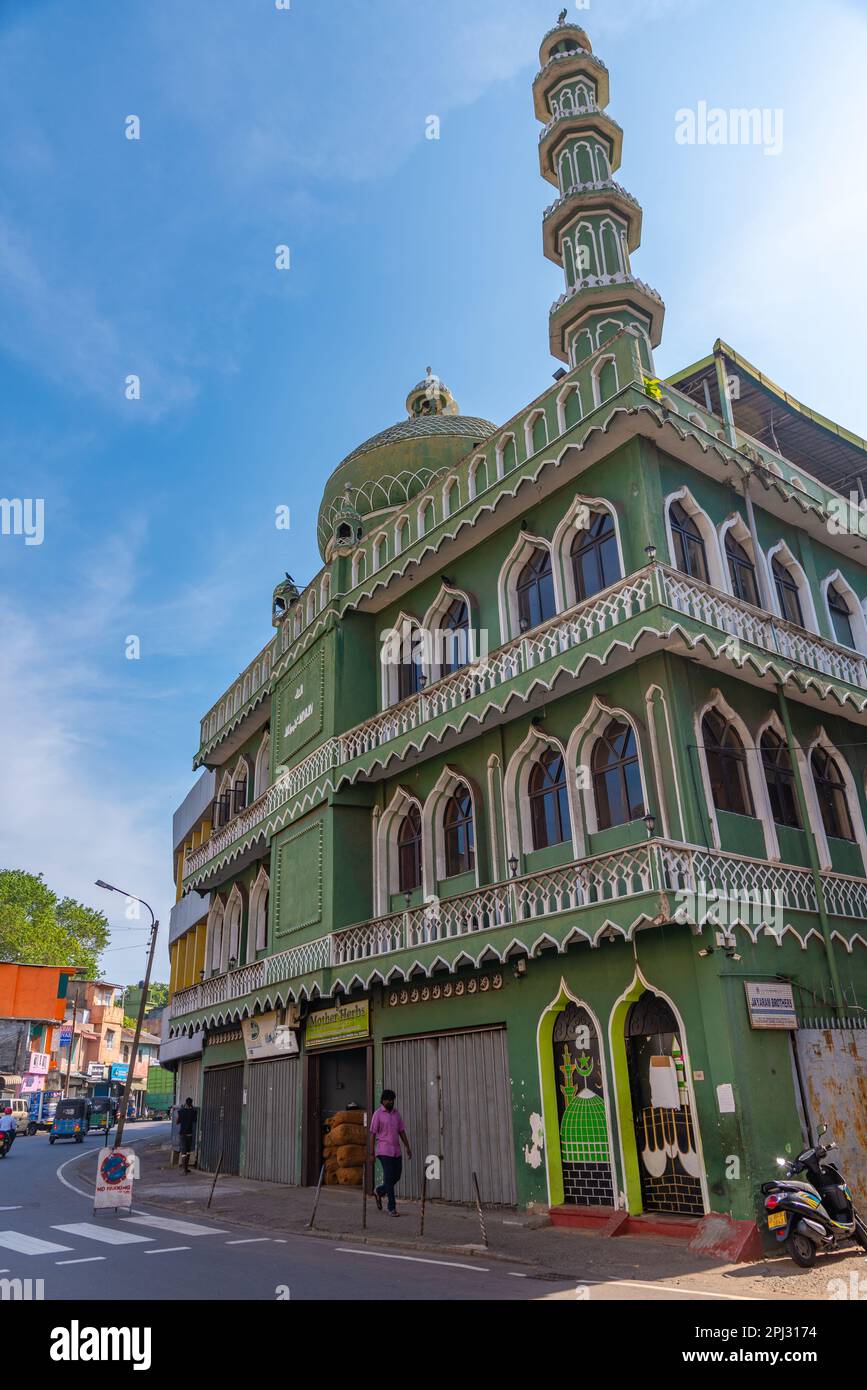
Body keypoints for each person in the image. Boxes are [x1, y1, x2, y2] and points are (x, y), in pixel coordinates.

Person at [369, 1089, 411, 1217]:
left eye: (392, 1100)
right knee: (388, 1177)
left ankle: (379, 1191)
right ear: (383, 1101)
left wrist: (408, 1147)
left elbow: (401, 1131)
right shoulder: (377, 1114)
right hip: (383, 1151)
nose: (391, 1102)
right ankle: (391, 1208)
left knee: (396, 1176)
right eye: (388, 1100)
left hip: (396, 1151)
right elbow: (372, 1134)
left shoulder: (396, 1114)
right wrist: (371, 1153)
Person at [176, 1097, 197, 1173]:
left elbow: (177, 1122)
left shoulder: (181, 1111)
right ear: (191, 1103)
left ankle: (184, 1170)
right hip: (189, 1134)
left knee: (183, 1153)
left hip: (182, 1134)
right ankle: (186, 1168)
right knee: (188, 1152)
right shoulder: (193, 1112)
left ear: (185, 1103)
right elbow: (195, 1120)